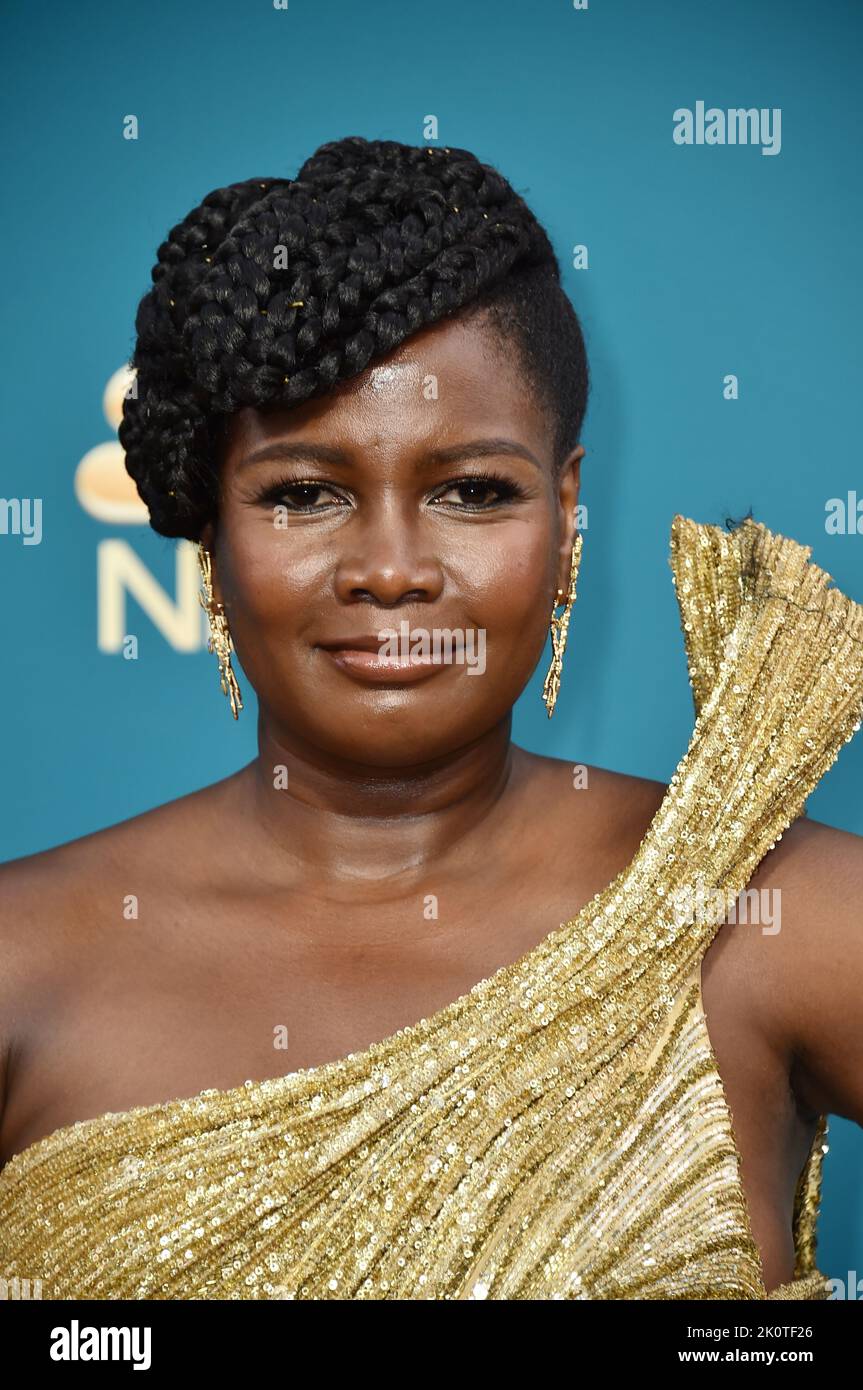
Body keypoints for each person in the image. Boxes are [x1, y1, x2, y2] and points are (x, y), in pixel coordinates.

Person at [0, 136, 861, 1301]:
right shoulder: (21, 959)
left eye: (471, 491)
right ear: (212, 530)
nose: (391, 569)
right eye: (304, 493)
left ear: (564, 512)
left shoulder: (751, 914)